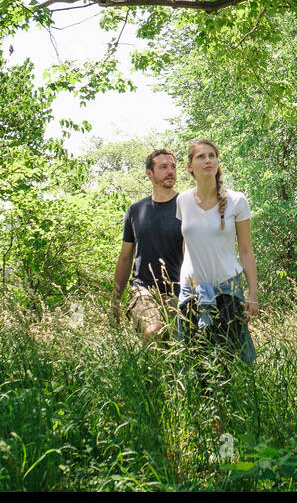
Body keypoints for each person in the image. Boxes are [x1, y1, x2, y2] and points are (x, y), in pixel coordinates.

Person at [175, 139, 259, 384]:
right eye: (201, 157)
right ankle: (204, 419)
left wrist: (252, 293)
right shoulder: (183, 201)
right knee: (197, 361)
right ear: (190, 166)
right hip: (192, 292)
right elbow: (187, 242)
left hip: (226, 290)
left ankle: (224, 416)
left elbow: (245, 250)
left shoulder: (236, 200)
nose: (208, 160)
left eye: (212, 155)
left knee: (224, 362)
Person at [111, 147, 184, 344]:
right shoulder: (135, 211)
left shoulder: (187, 206)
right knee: (154, 331)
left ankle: (158, 375)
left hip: (178, 293)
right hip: (143, 291)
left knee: (180, 348)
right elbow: (125, 258)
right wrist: (115, 301)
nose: (170, 171)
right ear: (149, 173)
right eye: (163, 167)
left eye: (173, 167)